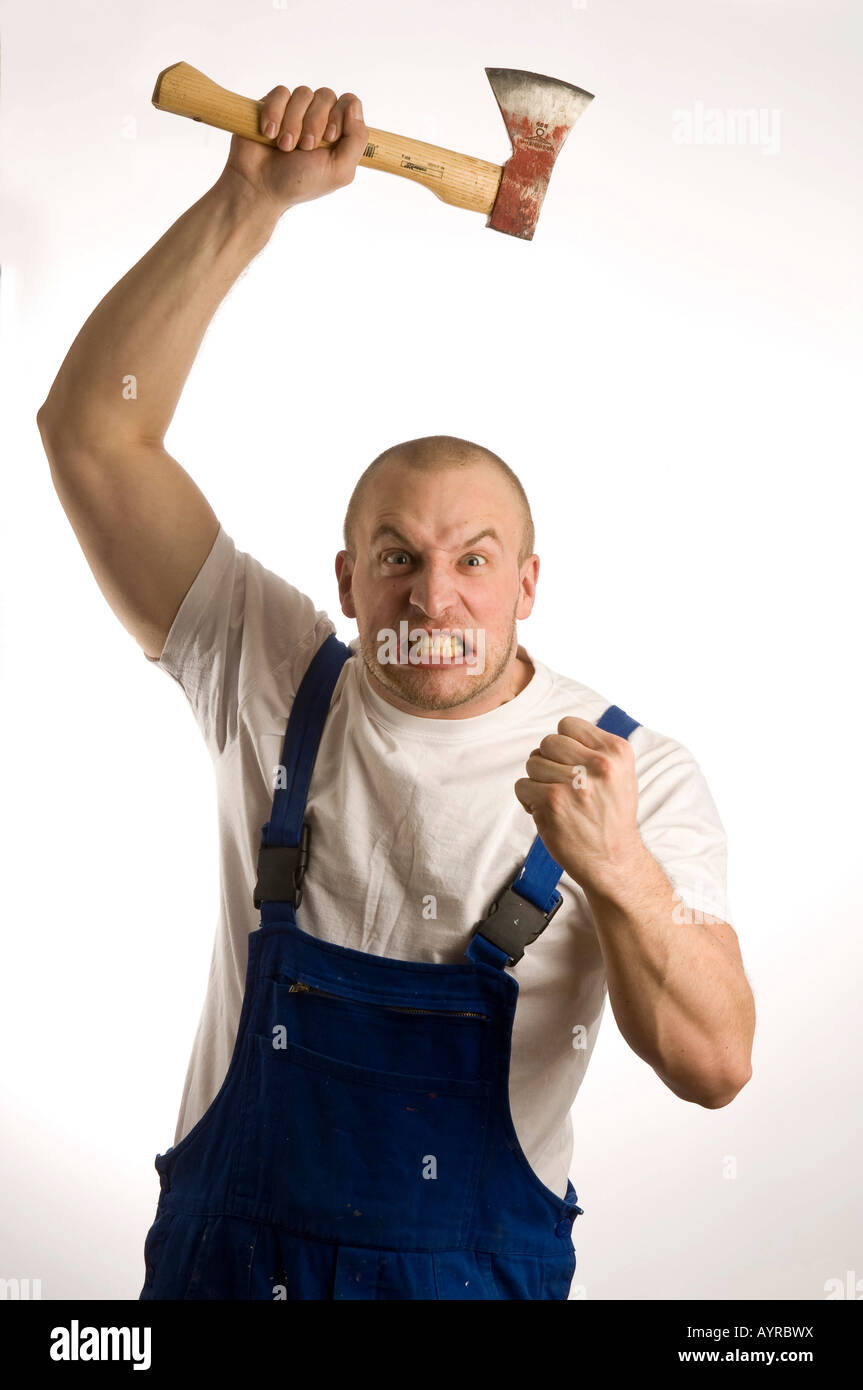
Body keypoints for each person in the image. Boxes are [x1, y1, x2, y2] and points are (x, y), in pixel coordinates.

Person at [36, 83, 755, 1301]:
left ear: (527, 584)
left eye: (474, 560)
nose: (434, 597)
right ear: (346, 579)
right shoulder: (266, 666)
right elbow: (91, 436)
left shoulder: (628, 769)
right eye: (396, 558)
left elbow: (713, 1063)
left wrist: (619, 869)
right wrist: (245, 203)